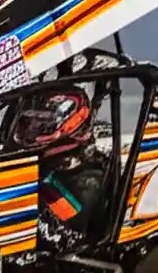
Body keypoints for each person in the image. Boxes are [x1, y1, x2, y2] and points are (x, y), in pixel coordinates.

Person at [9, 88, 105, 248]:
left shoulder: (87, 174)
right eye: (30, 123)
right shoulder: (42, 161)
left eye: (42, 123)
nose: (33, 129)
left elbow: (72, 231)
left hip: (63, 255)